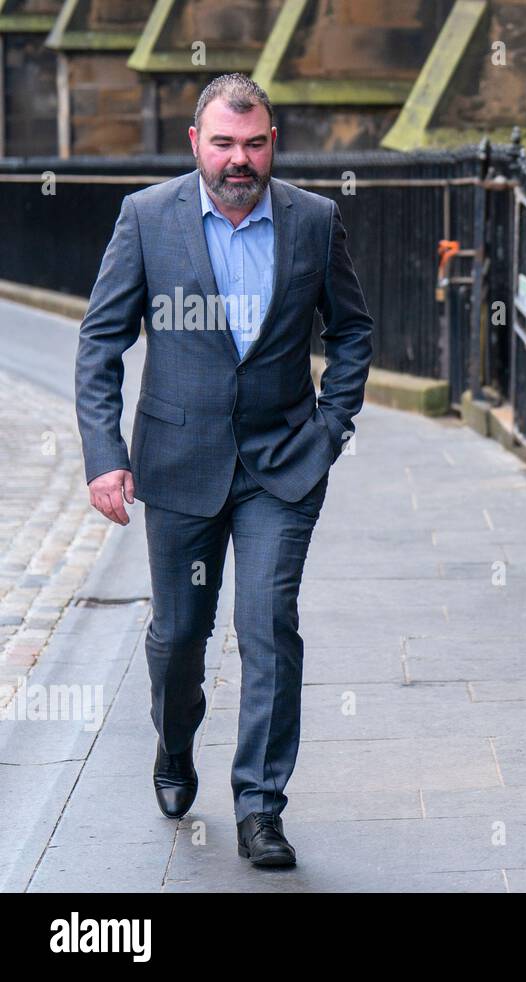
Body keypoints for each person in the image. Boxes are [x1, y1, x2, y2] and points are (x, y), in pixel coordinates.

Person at [74, 73, 373, 868]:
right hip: (177, 463)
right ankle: (175, 746)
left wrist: (331, 426)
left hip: (283, 464)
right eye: (224, 143)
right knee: (180, 638)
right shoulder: (146, 218)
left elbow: (352, 334)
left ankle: (260, 808)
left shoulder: (314, 220)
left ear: (273, 142)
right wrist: (105, 457)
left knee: (269, 627)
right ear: (195, 144)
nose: (240, 159)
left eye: (255, 143)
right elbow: (101, 343)